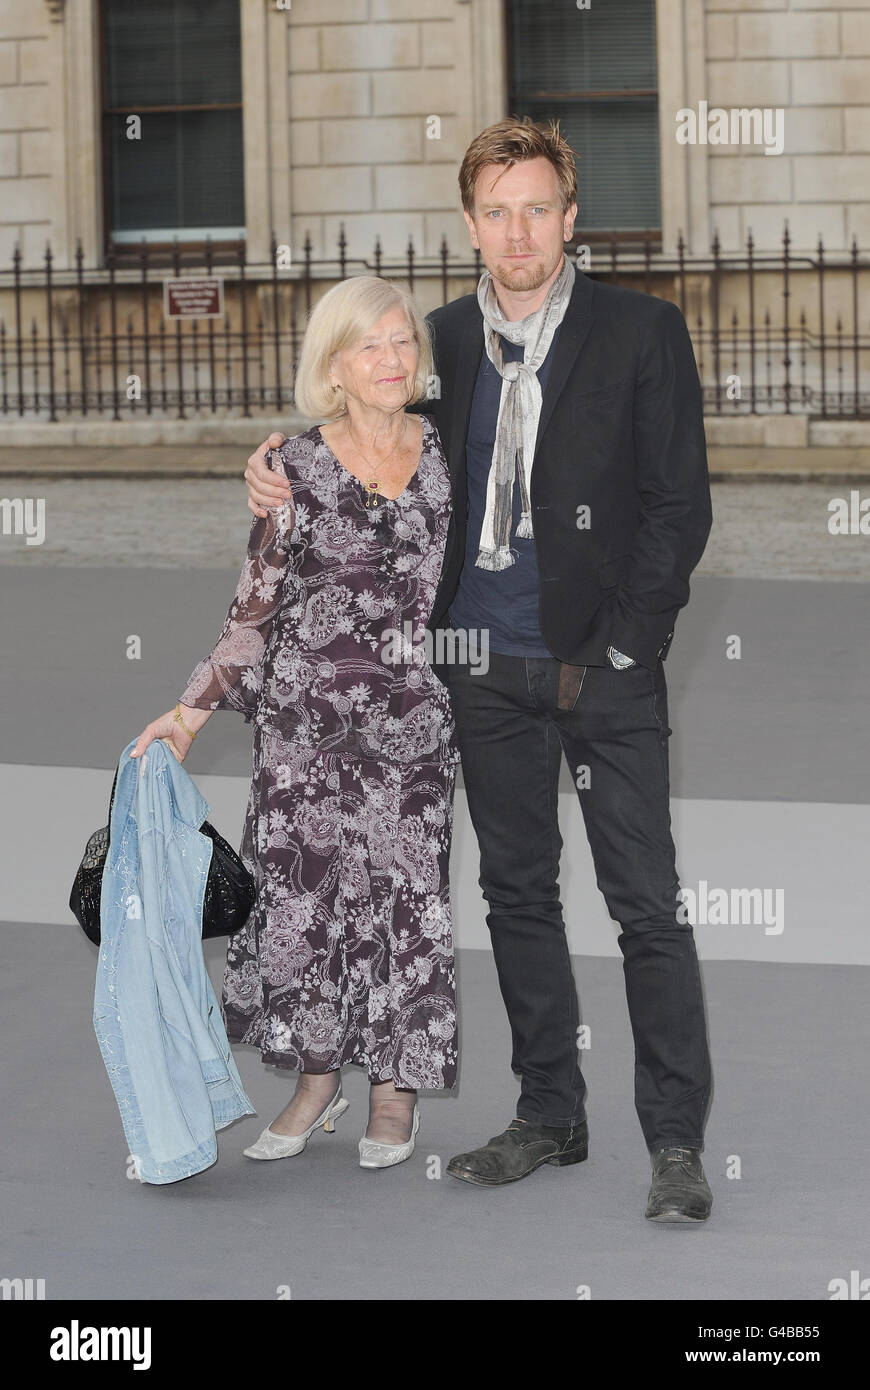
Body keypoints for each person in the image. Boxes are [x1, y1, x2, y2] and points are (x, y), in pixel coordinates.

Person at [243, 118, 715, 1221]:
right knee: (517, 897)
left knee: (646, 906)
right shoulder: (442, 344)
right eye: (497, 212)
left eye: (537, 208)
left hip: (607, 672)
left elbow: (678, 507)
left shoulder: (642, 332)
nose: (518, 232)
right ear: (469, 224)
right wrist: (268, 463)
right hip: (481, 669)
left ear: (570, 218)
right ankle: (550, 1112)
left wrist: (627, 646)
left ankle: (676, 1141)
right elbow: (362, 427)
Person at [132, 275, 461, 1171]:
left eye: (402, 341)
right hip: (303, 727)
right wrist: (190, 711)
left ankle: (394, 1092)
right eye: (368, 345)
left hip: (413, 724)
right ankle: (317, 1085)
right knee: (304, 904)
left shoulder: (450, 452)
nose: (391, 359)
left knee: (406, 900)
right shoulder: (294, 469)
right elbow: (254, 607)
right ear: (333, 366)